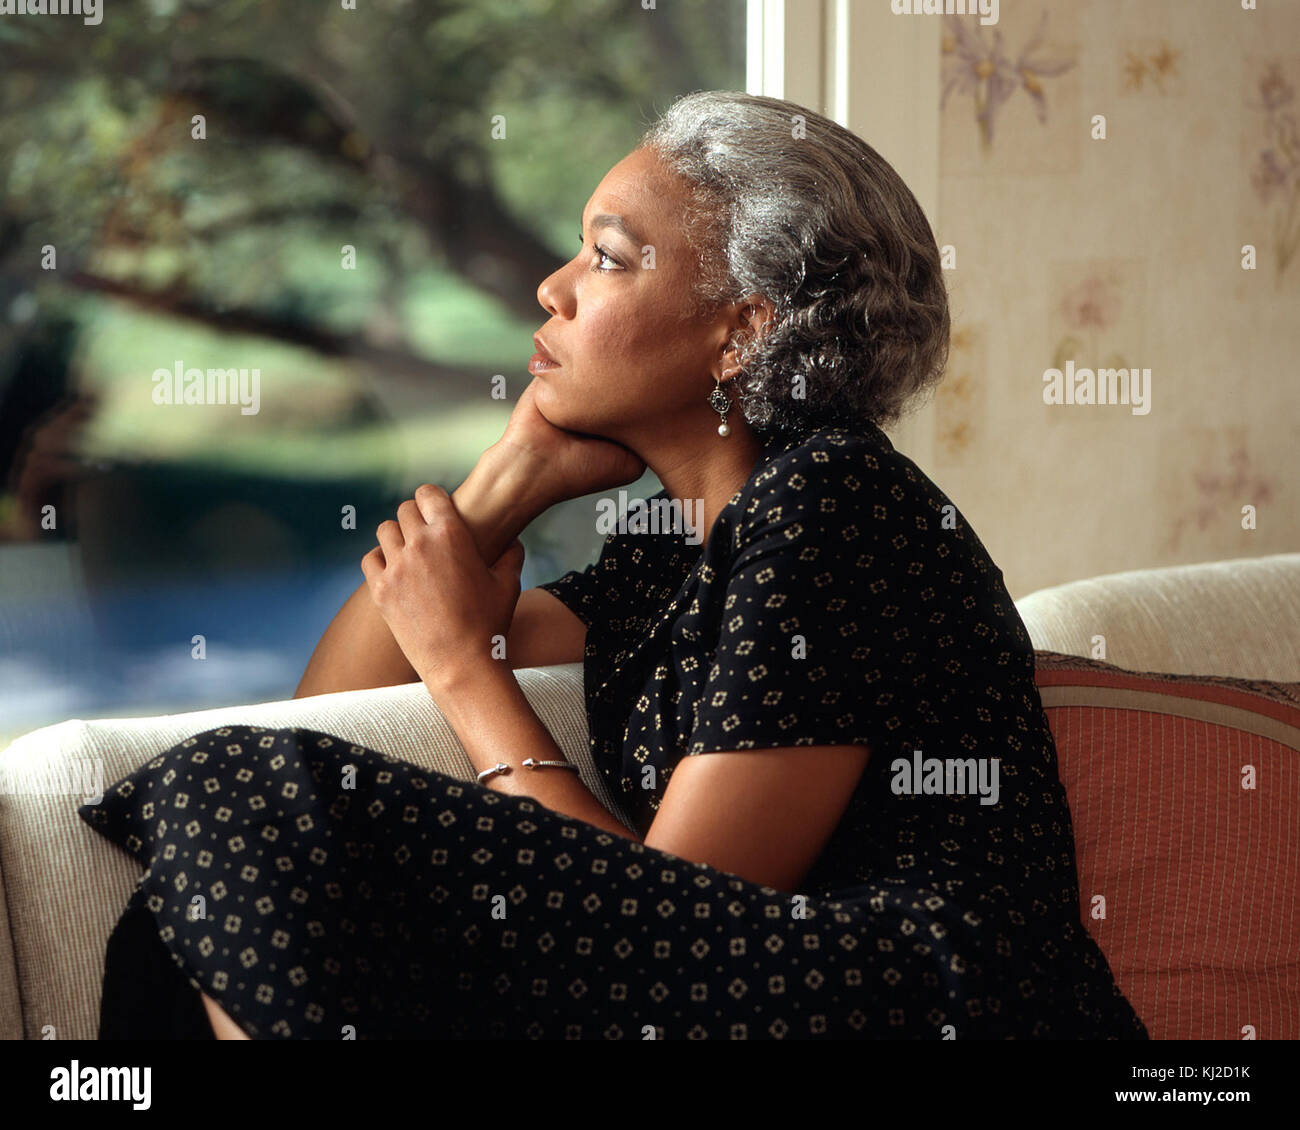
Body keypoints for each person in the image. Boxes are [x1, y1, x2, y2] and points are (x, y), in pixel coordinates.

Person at [80, 90, 1149, 1040]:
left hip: (918, 997)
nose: (552, 288)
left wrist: (466, 666)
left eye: (607, 257)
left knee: (245, 792)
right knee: (234, 849)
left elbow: (678, 908)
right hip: (763, 989)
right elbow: (327, 710)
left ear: (741, 333)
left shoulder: (837, 505)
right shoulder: (671, 545)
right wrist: (508, 480)